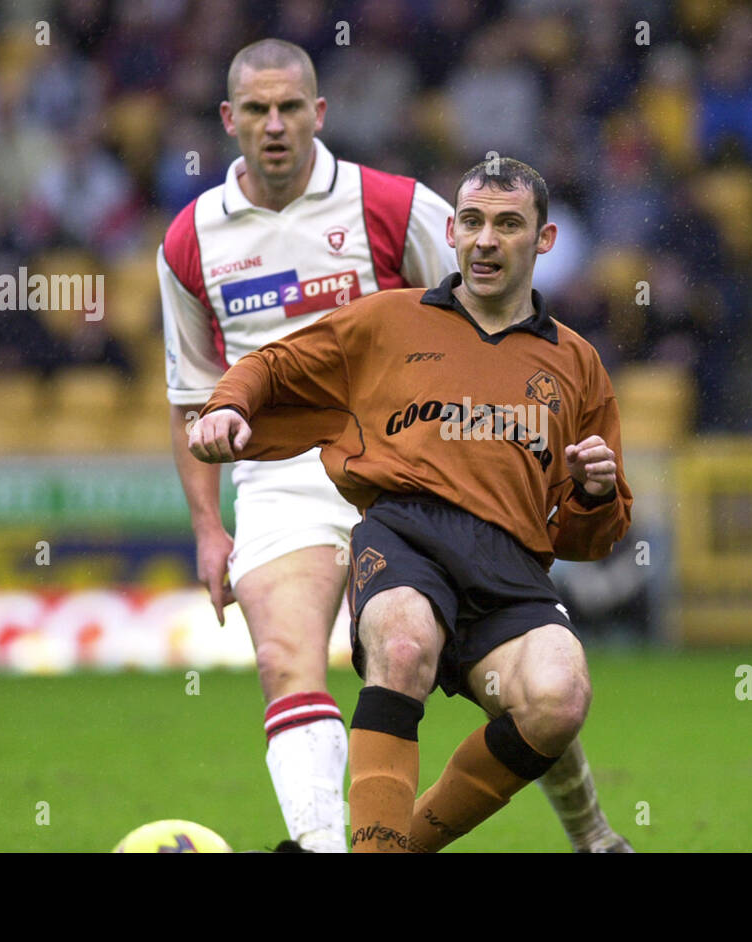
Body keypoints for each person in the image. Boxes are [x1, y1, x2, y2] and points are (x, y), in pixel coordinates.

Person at [160, 39, 629, 853]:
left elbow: (470, 313)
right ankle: (324, 846)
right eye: (258, 110)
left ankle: (587, 829)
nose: (275, 125)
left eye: (290, 107)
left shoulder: (390, 204)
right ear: (228, 120)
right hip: (280, 464)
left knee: (535, 684)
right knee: (290, 655)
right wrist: (209, 526)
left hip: (419, 457)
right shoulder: (192, 238)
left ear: (319, 113)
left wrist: (550, 459)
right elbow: (191, 395)